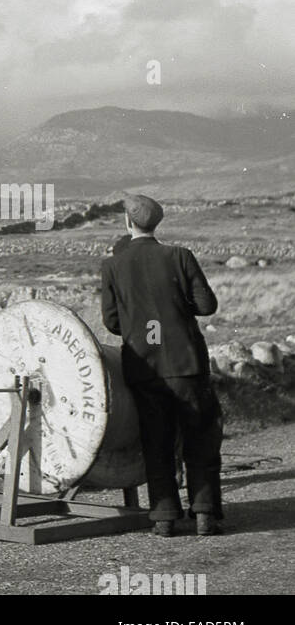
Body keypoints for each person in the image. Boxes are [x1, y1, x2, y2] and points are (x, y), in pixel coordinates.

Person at [100, 192, 224, 537]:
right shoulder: (180, 256)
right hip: (186, 363)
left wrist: (140, 323)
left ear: (128, 223)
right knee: (200, 438)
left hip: (145, 368)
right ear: (157, 223)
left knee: (156, 442)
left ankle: (165, 517)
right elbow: (206, 305)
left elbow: (111, 321)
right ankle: (204, 515)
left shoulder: (113, 265)